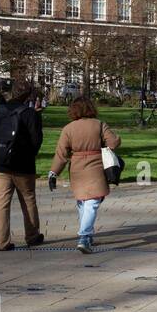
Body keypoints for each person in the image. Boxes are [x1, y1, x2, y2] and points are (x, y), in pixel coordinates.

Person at [48, 97, 122, 254]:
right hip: (95, 167)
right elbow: (113, 143)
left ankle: (87, 236)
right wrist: (117, 138)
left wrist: (53, 172)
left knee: (83, 201)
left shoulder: (68, 129)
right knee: (92, 202)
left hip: (77, 168)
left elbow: (61, 154)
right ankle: (84, 236)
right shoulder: (99, 124)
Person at [0, 78, 45, 252]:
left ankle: (1, 241)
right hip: (23, 164)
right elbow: (36, 140)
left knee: (1, 203)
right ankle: (32, 236)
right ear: (27, 95)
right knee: (28, 200)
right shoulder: (30, 114)